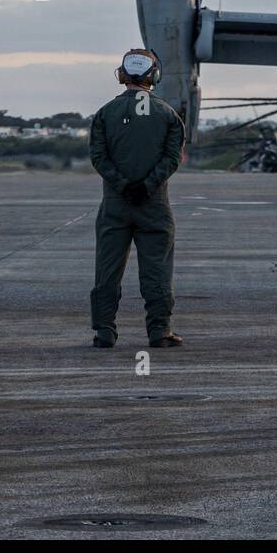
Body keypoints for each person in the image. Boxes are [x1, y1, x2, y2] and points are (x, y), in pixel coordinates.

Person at [88, 49, 186, 349]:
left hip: (115, 206)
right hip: (154, 205)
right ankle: (159, 331)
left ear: (122, 75)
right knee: (156, 272)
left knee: (107, 272)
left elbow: (98, 157)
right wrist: (147, 186)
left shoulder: (105, 114)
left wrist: (122, 185)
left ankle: (104, 332)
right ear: (153, 76)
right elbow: (172, 159)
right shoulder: (169, 115)